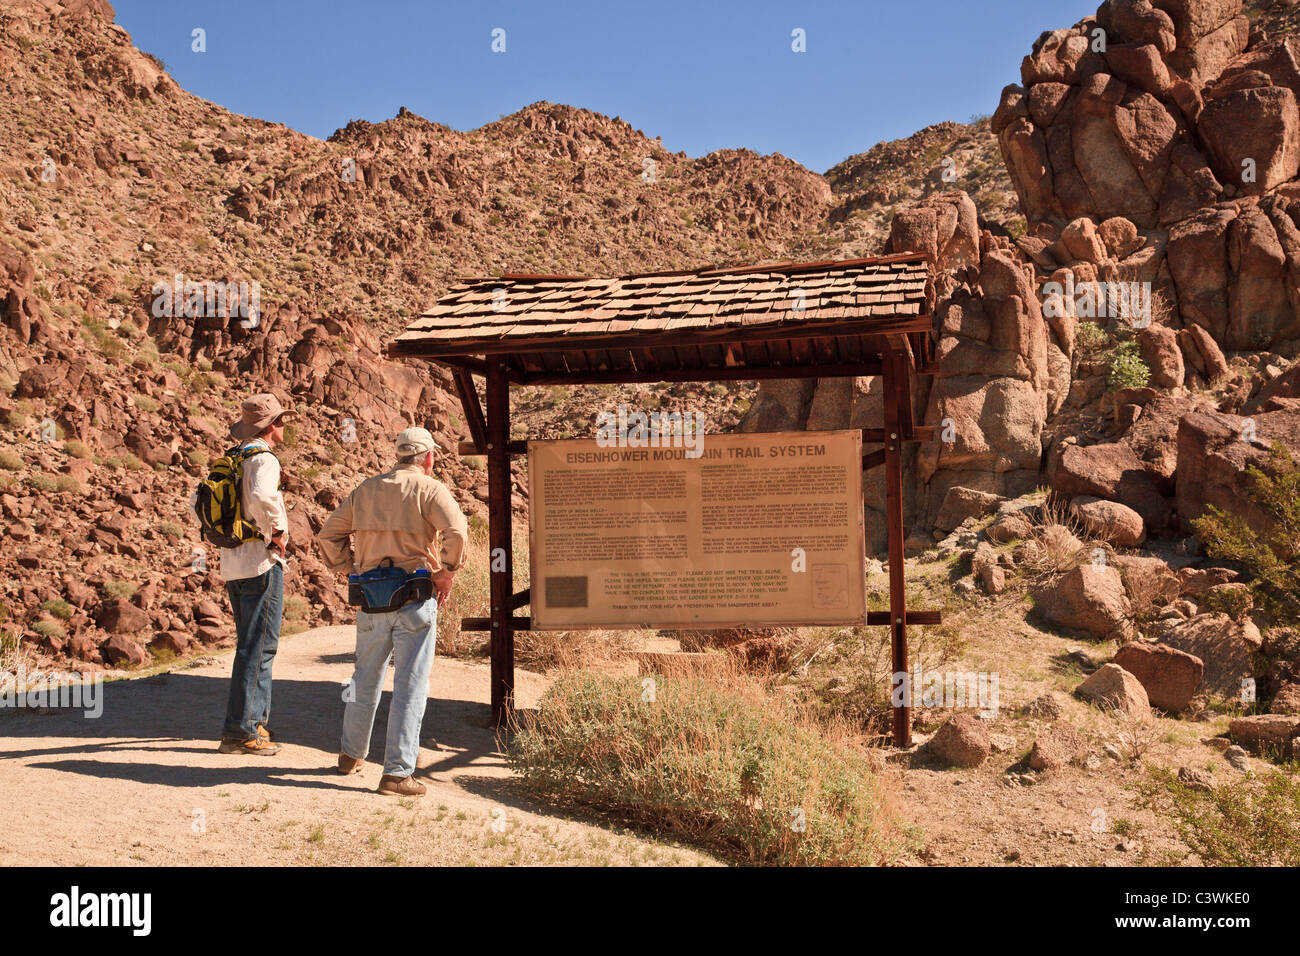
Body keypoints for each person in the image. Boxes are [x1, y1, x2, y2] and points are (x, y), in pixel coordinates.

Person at [317, 426, 468, 796]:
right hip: (415, 598)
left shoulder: (366, 490)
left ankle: (350, 755)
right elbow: (457, 533)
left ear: (399, 455)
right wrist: (445, 573)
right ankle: (397, 774)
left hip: (371, 599)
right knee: (410, 686)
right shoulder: (430, 489)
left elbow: (327, 535)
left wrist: (348, 567)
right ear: (428, 457)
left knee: (363, 679)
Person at [215, 393, 292, 755]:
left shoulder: (231, 459)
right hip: (260, 562)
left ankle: (250, 723)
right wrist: (275, 532)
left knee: (249, 644)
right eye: (281, 421)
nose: (284, 427)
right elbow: (263, 496)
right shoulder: (263, 459)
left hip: (233, 563)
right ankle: (243, 729)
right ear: (271, 426)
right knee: (260, 646)